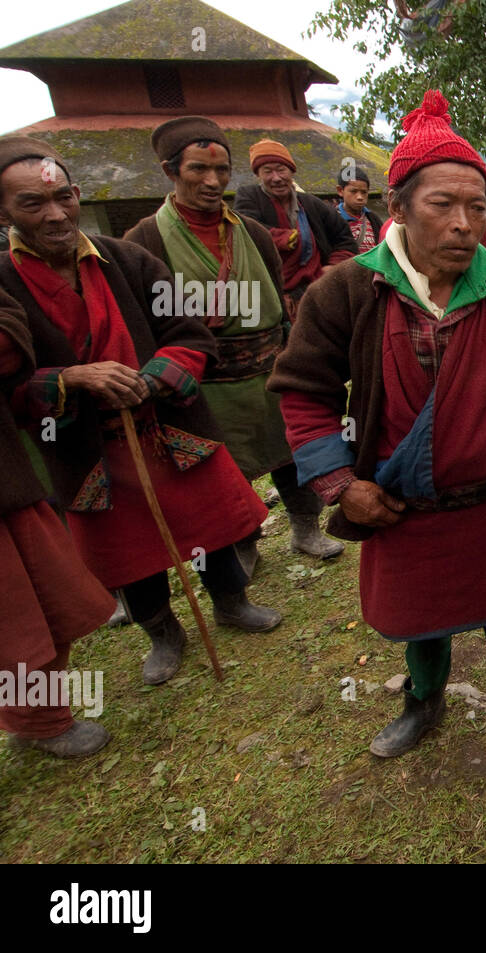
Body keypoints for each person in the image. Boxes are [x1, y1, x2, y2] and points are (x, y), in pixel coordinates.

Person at [268, 90, 486, 760]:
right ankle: (423, 701)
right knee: (421, 626)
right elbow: (303, 391)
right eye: (443, 205)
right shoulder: (346, 292)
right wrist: (342, 484)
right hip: (400, 508)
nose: (465, 224)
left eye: (477, 207)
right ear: (397, 208)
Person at [0, 136, 279, 687]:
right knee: (127, 549)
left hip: (166, 427)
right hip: (83, 445)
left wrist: (152, 378)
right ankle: (162, 632)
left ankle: (230, 601)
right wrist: (72, 379)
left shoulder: (128, 260)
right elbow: (6, 381)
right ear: (4, 210)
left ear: (78, 195)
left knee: (209, 525)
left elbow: (189, 333)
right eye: (33, 204)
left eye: (65, 199)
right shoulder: (4, 283)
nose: (56, 215)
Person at [124, 117, 342, 567]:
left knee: (288, 453)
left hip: (267, 367)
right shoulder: (144, 241)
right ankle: (244, 544)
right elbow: (142, 321)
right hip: (204, 382)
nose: (212, 181)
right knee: (222, 471)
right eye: (198, 170)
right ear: (170, 173)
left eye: (221, 170)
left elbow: (279, 301)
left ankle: (305, 529)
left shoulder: (254, 234)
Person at [1, 287, 118, 756]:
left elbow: (12, 351)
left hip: (7, 480)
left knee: (42, 600)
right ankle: (37, 719)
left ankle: (37, 717)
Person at [233, 140, 358, 320]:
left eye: (281, 169)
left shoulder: (310, 204)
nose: (276, 178)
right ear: (258, 175)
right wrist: (284, 238)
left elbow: (343, 236)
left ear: (292, 171)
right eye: (267, 171)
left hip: (315, 290)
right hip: (271, 295)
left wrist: (332, 267)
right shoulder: (249, 196)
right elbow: (246, 228)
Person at [335, 166, 383, 253]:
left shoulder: (374, 220)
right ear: (340, 191)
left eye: (364, 192)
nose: (360, 197)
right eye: (353, 191)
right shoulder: (332, 220)